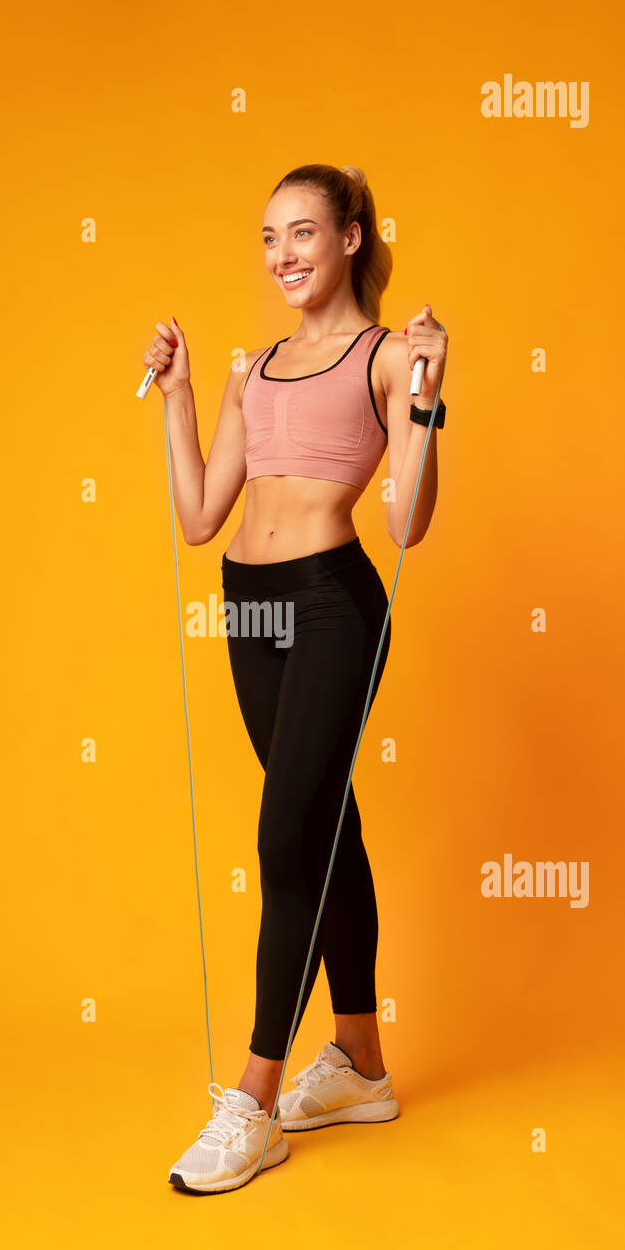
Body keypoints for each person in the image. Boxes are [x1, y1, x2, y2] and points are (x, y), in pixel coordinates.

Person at [141, 163, 447, 1194]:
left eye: (303, 233)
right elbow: (196, 517)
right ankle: (359, 1060)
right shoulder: (251, 366)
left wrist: (426, 404)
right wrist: (179, 396)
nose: (282, 255)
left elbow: (405, 523)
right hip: (248, 604)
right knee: (327, 825)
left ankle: (254, 1101)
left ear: (352, 238)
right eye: (268, 238)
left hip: (328, 602)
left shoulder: (387, 354)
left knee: (286, 835)